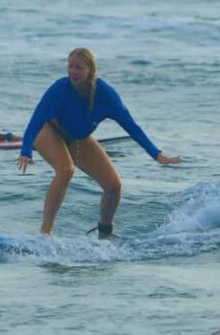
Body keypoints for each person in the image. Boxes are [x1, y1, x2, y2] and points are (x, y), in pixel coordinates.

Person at [17, 48, 181, 238]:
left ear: (90, 70)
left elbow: (131, 126)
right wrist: (26, 150)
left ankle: (105, 231)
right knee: (66, 170)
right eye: (70, 66)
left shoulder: (106, 95)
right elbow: (36, 119)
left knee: (113, 186)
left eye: (78, 67)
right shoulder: (60, 88)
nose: (72, 71)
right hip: (48, 130)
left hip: (78, 139)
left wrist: (156, 154)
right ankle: (45, 232)